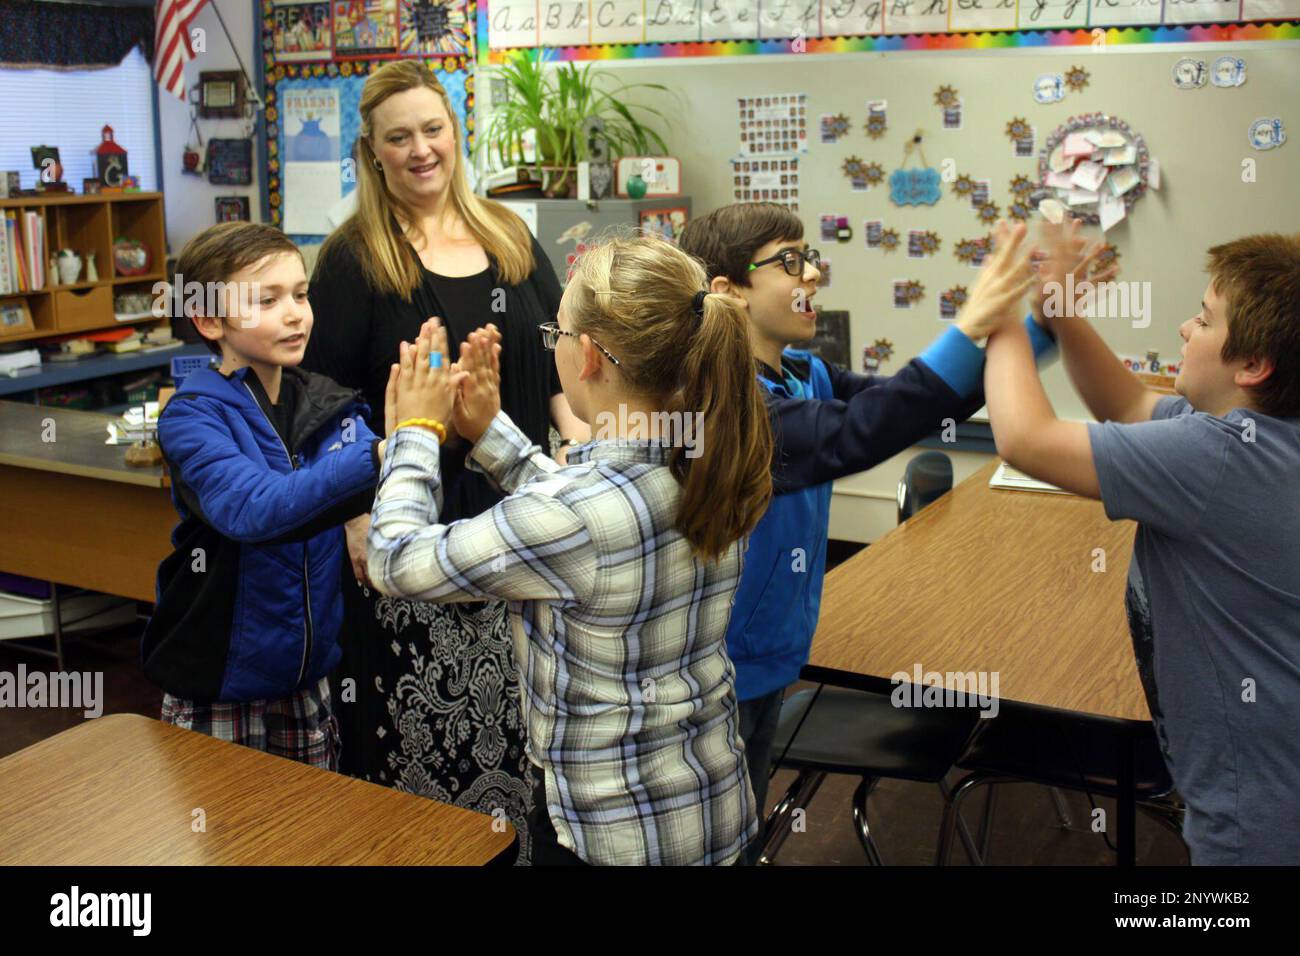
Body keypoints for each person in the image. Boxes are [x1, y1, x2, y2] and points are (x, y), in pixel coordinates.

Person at [368, 234, 773, 864]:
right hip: (713, 812)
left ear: (586, 355)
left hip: (610, 839)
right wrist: (492, 432)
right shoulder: (706, 461)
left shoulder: (575, 515)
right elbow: (590, 525)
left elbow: (394, 560)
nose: (551, 345)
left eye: (554, 333)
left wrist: (414, 433)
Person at [678, 203, 1054, 862]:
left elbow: (915, 405)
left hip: (775, 656)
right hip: (722, 671)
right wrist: (969, 324)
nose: (812, 273)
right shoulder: (730, 407)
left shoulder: (806, 372)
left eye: (809, 256)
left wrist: (1040, 328)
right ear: (728, 291)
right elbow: (863, 430)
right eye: (789, 261)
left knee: (743, 829)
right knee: (717, 843)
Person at [302, 60, 587, 855]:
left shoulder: (509, 236)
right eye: (399, 137)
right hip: (411, 526)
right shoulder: (354, 259)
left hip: (522, 513)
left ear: (455, 134)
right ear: (373, 151)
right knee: (424, 734)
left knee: (524, 723)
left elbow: (557, 366)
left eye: (433, 129)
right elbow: (320, 403)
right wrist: (353, 516)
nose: (421, 149)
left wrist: (579, 445)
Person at [983, 222, 1300, 864]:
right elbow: (1126, 403)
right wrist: (1060, 313)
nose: (1185, 328)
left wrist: (1000, 313)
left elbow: (1024, 439)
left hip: (1258, 810)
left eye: (1204, 320)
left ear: (1252, 365)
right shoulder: (1252, 431)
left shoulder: (1218, 458)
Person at [143, 221, 384, 769]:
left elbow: (382, 483)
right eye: (266, 300)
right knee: (217, 818)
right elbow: (256, 508)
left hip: (306, 677)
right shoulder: (192, 416)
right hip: (217, 683)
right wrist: (382, 455)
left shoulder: (330, 405)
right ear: (210, 320)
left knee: (306, 817)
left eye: (300, 294)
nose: (295, 314)